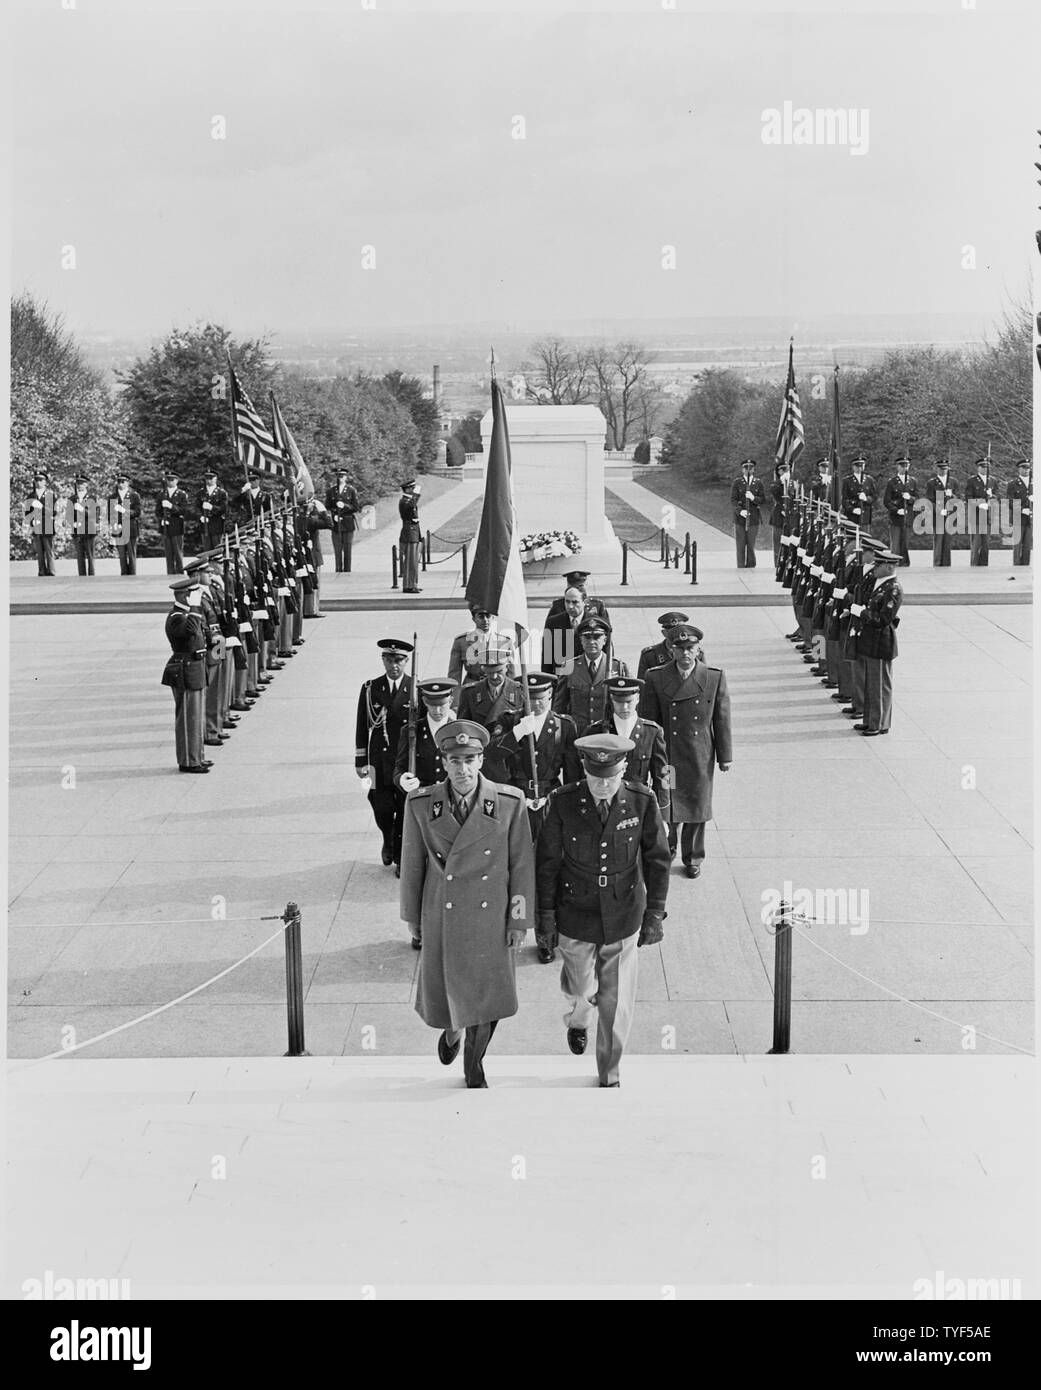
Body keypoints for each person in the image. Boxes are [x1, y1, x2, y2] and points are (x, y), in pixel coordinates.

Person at [399, 720, 535, 1089]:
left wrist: (519, 921)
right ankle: (452, 1030)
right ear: (443, 762)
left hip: (492, 914)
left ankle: (475, 1064)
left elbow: (521, 864)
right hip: (444, 910)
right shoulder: (421, 804)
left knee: (490, 994)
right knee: (450, 990)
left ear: (481, 760)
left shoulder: (509, 803)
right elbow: (412, 865)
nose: (463, 769)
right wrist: (412, 918)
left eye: (470, 759)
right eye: (455, 760)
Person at [535, 733, 670, 1087]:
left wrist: (655, 912)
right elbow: (547, 862)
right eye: (596, 778)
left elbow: (658, 859)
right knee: (581, 989)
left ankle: (609, 1073)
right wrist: (545, 917)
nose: (603, 785)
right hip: (575, 914)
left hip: (624, 914)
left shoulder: (641, 801)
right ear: (584, 769)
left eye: (610, 778)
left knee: (616, 1001)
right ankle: (578, 1019)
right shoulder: (564, 802)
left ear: (624, 769)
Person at [638, 623, 732, 878]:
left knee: (697, 806)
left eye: (690, 648)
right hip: (668, 756)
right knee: (667, 804)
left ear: (698, 648)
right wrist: (646, 755)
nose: (685, 653)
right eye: (680, 648)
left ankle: (693, 857)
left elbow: (721, 719)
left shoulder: (713, 677)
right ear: (671, 650)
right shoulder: (656, 677)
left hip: (699, 755)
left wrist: (725, 756)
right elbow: (648, 720)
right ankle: (667, 849)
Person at [356, 638, 414, 873]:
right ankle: (387, 838)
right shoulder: (371, 687)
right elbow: (362, 725)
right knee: (379, 805)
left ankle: (400, 855)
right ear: (383, 660)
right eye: (389, 660)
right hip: (377, 759)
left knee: (403, 808)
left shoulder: (415, 687)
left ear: (407, 661)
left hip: (402, 759)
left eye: (399, 660)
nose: (394, 666)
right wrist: (360, 760)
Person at [585, 677, 670, 816]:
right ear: (612, 700)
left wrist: (663, 814)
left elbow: (665, 773)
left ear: (637, 699)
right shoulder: (596, 731)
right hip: (604, 806)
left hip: (639, 804)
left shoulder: (652, 731)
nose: (624, 707)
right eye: (619, 702)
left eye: (629, 702)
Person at [160, 576, 212, 774]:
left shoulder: (188, 614)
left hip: (195, 668)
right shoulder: (176, 617)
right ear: (184, 595)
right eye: (193, 593)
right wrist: (196, 608)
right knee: (188, 719)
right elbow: (190, 631)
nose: (197, 597)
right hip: (185, 669)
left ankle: (196, 756)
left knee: (196, 718)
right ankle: (188, 761)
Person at [394, 678, 458, 824]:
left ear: (451, 700)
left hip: (452, 801)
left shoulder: (458, 730)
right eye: (432, 705)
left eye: (442, 705)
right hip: (422, 801)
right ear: (424, 701)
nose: (437, 711)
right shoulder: (411, 731)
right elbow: (399, 767)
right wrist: (402, 780)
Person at [552, 617, 629, 734]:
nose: (591, 642)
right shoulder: (569, 667)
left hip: (609, 731)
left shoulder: (618, 667)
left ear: (605, 639)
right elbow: (559, 706)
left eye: (597, 637)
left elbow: (628, 703)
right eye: (587, 637)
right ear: (581, 640)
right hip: (578, 733)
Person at [855, 549, 904, 736]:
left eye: (879, 564)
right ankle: (869, 720)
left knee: (880, 685)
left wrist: (861, 612)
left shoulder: (893, 589)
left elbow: (882, 619)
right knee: (871, 684)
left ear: (889, 566)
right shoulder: (881, 584)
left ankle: (879, 724)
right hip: (870, 638)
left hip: (881, 640)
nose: (874, 567)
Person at [448, 606, 516, 685]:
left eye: (488, 616)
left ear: (493, 617)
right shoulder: (461, 642)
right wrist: (455, 694)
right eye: (481, 616)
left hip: (496, 685)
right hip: (472, 686)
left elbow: (511, 672)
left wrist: (511, 691)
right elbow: (454, 673)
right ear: (473, 619)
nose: (485, 620)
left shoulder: (505, 641)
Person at [542, 585, 593, 675]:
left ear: (585, 602)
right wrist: (548, 681)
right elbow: (547, 657)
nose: (570, 606)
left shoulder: (595, 623)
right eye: (567, 602)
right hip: (562, 678)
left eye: (575, 602)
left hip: (587, 679)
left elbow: (606, 656)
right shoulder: (553, 622)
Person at [730, 458, 766, 568]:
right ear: (743, 469)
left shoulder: (758, 482)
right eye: (746, 468)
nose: (748, 470)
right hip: (740, 517)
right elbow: (733, 500)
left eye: (751, 468)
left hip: (753, 517)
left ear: (753, 470)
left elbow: (763, 499)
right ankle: (740, 566)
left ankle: (751, 565)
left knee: (751, 544)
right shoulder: (737, 482)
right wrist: (740, 511)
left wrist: (753, 497)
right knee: (740, 544)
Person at [882, 456, 918, 566]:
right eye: (902, 466)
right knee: (896, 542)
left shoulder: (912, 481)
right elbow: (887, 501)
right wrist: (896, 510)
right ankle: (894, 562)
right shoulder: (892, 482)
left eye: (906, 466)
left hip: (907, 517)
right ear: (897, 467)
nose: (905, 468)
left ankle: (904, 562)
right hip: (896, 517)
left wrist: (910, 498)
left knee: (905, 542)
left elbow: (917, 499)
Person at [326, 467, 360, 573]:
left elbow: (355, 507)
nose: (340, 478)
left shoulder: (351, 490)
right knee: (337, 548)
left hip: (348, 522)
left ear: (346, 477)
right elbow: (328, 506)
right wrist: (334, 514)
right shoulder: (331, 491)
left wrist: (344, 506)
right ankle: (338, 570)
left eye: (342, 476)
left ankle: (347, 571)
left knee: (347, 549)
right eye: (338, 476)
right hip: (336, 523)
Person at [924, 459, 956, 566]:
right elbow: (929, 501)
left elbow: (959, 498)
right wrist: (939, 510)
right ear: (937, 469)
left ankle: (946, 563)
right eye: (941, 469)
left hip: (950, 515)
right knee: (938, 541)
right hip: (937, 516)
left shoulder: (952, 482)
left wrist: (951, 496)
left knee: (947, 542)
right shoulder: (932, 483)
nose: (943, 471)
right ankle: (937, 563)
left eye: (945, 469)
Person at [156, 473, 190, 574]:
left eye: (172, 480)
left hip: (176, 525)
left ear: (177, 481)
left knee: (178, 551)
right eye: (168, 480)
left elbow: (184, 510)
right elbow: (158, 510)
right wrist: (161, 518)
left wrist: (171, 506)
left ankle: (180, 571)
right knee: (168, 552)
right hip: (165, 525)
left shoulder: (181, 494)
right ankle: (170, 572)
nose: (170, 481)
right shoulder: (162, 494)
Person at [638, 612, 689, 678]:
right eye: (672, 632)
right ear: (664, 633)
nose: (677, 635)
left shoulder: (695, 653)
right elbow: (642, 684)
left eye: (680, 631)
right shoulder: (649, 655)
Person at [546, 572, 611, 624]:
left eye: (580, 585)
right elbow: (551, 631)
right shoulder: (558, 605)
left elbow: (606, 628)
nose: (576, 589)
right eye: (572, 586)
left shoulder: (597, 605)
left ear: (587, 584)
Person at [108, 474, 142, 575]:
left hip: (130, 528)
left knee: (131, 555)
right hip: (118, 529)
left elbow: (137, 512)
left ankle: (132, 575)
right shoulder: (112, 497)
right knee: (122, 555)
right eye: (119, 482)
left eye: (123, 482)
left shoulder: (134, 495)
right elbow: (110, 515)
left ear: (127, 482)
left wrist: (124, 511)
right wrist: (113, 525)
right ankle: (124, 574)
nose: (121, 484)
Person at [965, 458, 995, 566]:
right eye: (983, 467)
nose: (985, 469)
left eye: (987, 467)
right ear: (978, 467)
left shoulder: (992, 480)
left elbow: (996, 497)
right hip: (976, 517)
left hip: (987, 517)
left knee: (986, 545)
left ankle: (984, 566)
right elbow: (968, 498)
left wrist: (991, 497)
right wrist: (980, 503)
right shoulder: (972, 481)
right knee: (976, 544)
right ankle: (974, 565)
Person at [25, 473, 57, 576]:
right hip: (37, 525)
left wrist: (41, 507)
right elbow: (27, 512)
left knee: (49, 550)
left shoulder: (50, 495)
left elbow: (53, 512)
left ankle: (51, 571)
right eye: (36, 480)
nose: (38, 482)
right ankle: (42, 571)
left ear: (45, 482)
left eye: (40, 480)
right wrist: (31, 521)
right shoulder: (31, 496)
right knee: (39, 551)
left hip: (47, 525)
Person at [68, 476, 98, 576]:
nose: (79, 485)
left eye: (81, 483)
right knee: (80, 557)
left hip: (89, 530)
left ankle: (91, 575)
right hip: (77, 531)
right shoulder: (72, 499)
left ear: (86, 485)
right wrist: (73, 522)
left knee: (90, 556)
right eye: (78, 483)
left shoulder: (92, 498)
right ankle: (81, 576)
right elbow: (69, 515)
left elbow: (94, 514)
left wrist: (82, 509)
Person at [1007, 460, 1032, 566]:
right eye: (1024, 468)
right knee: (1017, 545)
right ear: (1019, 469)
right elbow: (1010, 501)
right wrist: (1022, 509)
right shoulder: (1013, 484)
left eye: (1028, 468)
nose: (1026, 470)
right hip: (1018, 517)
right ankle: (1016, 565)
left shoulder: (1034, 483)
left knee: (1027, 545)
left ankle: (1025, 566)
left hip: (1030, 519)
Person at [399, 479, 422, 593]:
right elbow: (412, 505)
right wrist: (416, 494)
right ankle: (408, 585)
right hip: (409, 532)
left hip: (414, 532)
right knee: (410, 561)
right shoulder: (404, 501)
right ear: (407, 489)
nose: (413, 491)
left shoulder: (408, 500)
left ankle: (413, 583)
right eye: (412, 489)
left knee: (414, 561)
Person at [197, 470, 228, 551]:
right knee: (207, 550)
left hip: (216, 525)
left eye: (211, 478)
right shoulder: (201, 492)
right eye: (207, 478)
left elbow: (224, 509)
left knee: (217, 550)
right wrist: (200, 516)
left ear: (216, 479)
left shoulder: (221, 493)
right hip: (205, 525)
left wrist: (212, 507)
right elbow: (196, 507)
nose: (209, 480)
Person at [841, 457, 877, 527]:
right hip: (851, 516)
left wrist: (866, 498)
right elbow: (844, 500)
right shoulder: (847, 481)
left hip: (865, 516)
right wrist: (852, 509)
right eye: (857, 466)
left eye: (862, 466)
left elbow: (874, 496)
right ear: (853, 467)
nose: (860, 468)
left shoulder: (869, 480)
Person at [769, 462, 792, 567]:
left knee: (790, 540)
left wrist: (789, 484)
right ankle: (777, 563)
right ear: (779, 472)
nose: (786, 472)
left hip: (790, 515)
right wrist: (781, 482)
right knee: (778, 540)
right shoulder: (776, 483)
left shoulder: (792, 484)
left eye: (787, 470)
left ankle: (789, 561)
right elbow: (774, 491)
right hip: (778, 515)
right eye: (784, 470)